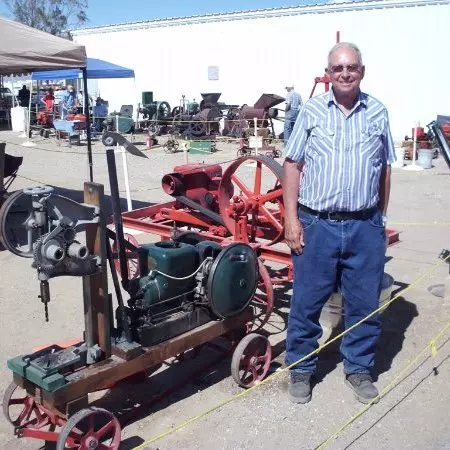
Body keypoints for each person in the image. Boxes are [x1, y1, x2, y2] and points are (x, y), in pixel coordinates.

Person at [283, 42, 395, 405]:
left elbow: (385, 168)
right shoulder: (312, 111)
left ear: (362, 70)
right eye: (338, 68)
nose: (345, 73)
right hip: (318, 224)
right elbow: (292, 165)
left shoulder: (378, 112)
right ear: (328, 72)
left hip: (365, 226)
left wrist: (380, 218)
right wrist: (291, 220)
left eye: (352, 67)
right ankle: (301, 369)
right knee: (306, 301)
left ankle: (358, 368)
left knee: (364, 303)